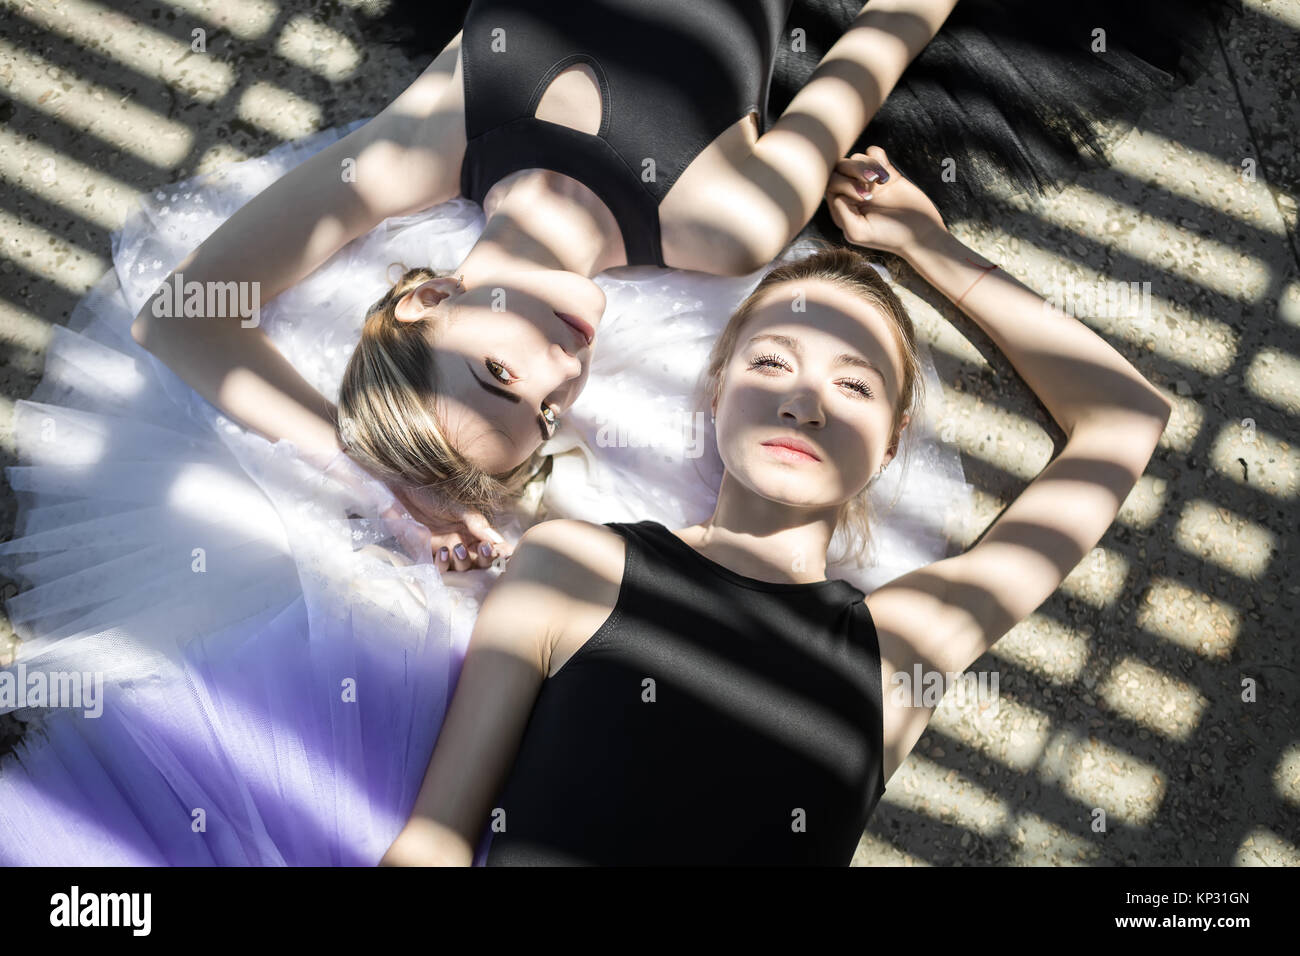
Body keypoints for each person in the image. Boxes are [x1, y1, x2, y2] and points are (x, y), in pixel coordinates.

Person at [379, 145, 1172, 865]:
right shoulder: (573, 565)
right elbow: (434, 846)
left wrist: (928, 246)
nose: (804, 403)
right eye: (771, 362)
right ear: (718, 393)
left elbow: (1125, 419)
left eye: (854, 385)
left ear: (892, 443)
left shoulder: (904, 644)